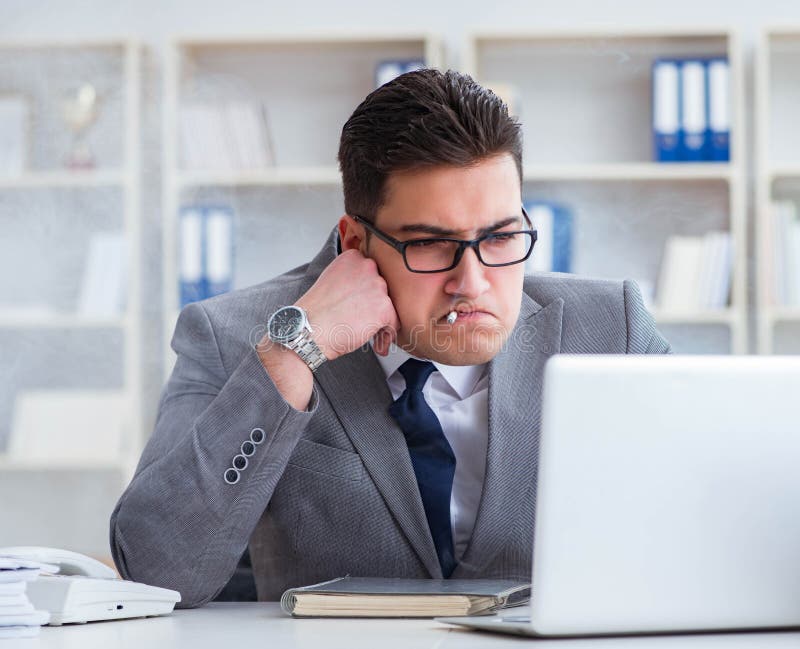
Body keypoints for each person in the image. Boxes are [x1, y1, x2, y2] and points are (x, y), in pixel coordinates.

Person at [109, 69, 670, 608]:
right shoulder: (232, 337)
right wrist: (293, 354)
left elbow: (707, 519)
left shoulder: (610, 328)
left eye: (500, 237)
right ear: (354, 241)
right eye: (429, 243)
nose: (470, 283)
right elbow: (157, 571)